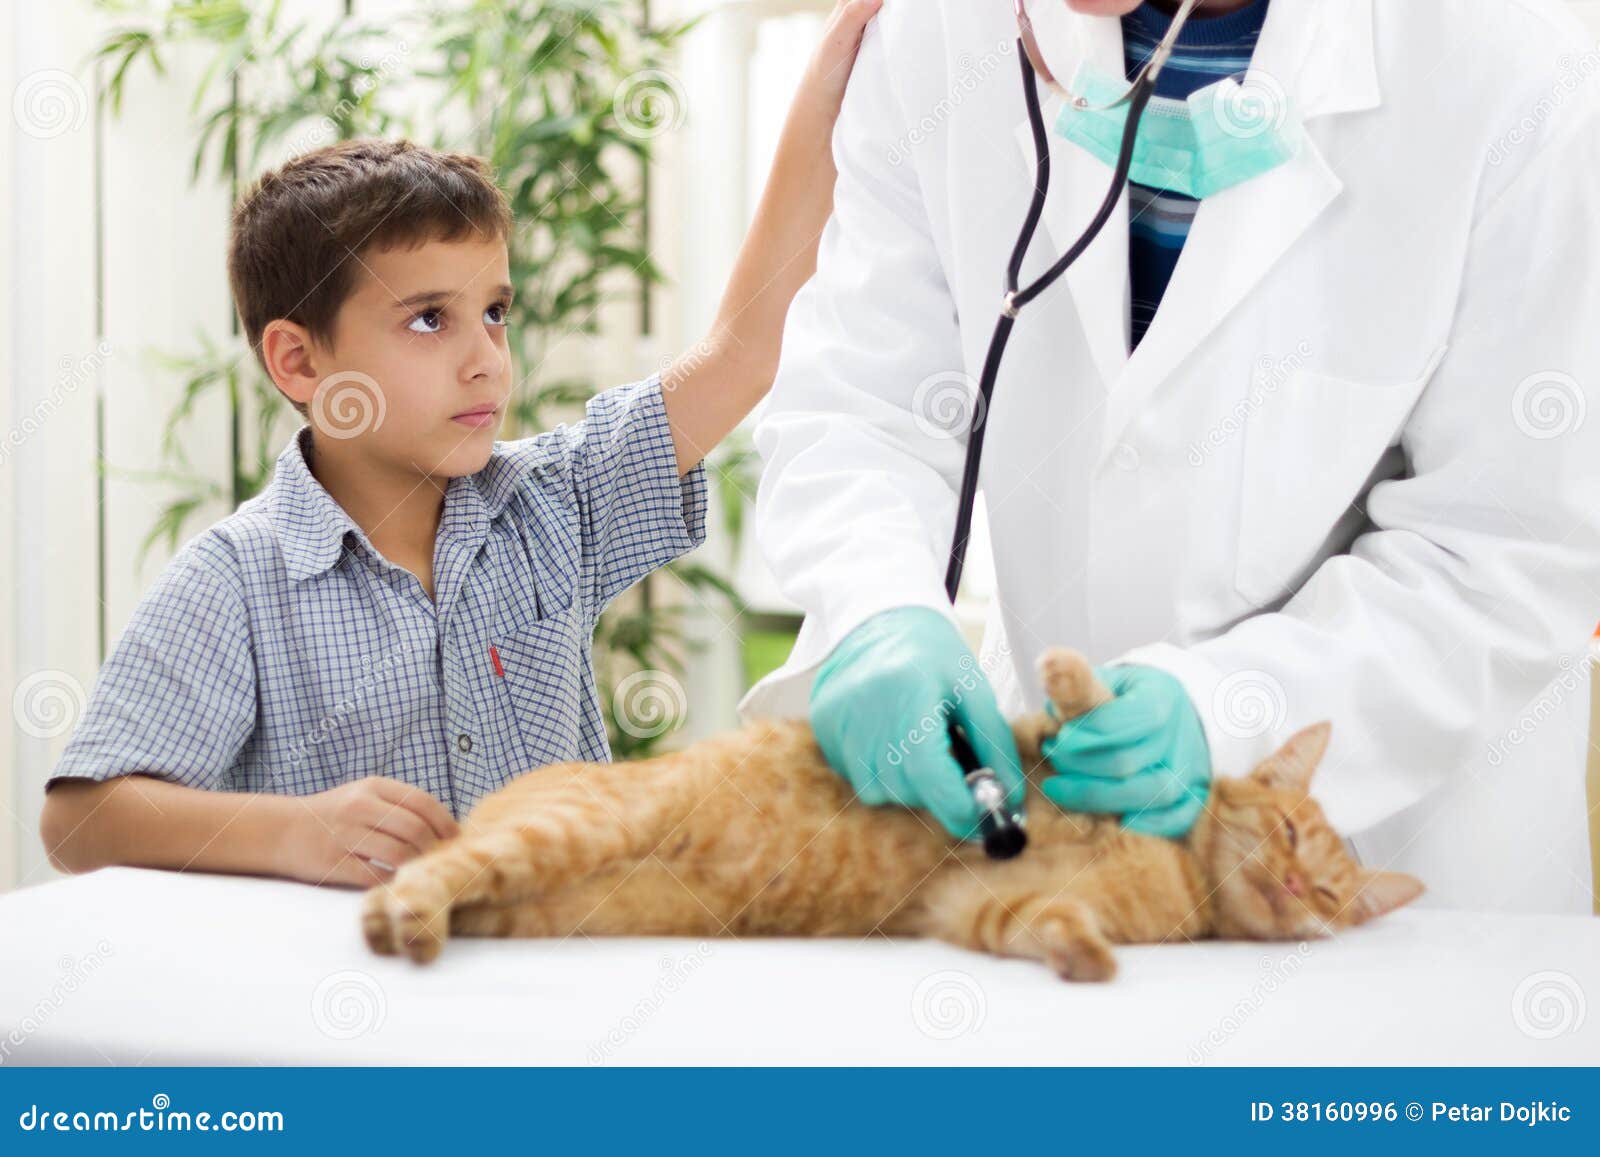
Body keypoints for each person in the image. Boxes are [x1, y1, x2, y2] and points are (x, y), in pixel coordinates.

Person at [741, 0, 1600, 913]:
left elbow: (1514, 546)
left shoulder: (1518, 67)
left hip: (1389, 881)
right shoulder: (942, 32)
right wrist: (875, 607)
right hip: (1060, 861)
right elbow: (862, 404)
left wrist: (1228, 709)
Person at [39, 0, 885, 888]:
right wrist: (295, 833)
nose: (485, 360)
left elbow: (743, 348)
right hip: (353, 1003)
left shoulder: (557, 504)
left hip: (550, 987)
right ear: (299, 360)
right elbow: (79, 819)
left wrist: (831, 78)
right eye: (429, 320)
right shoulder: (239, 580)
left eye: (494, 313)